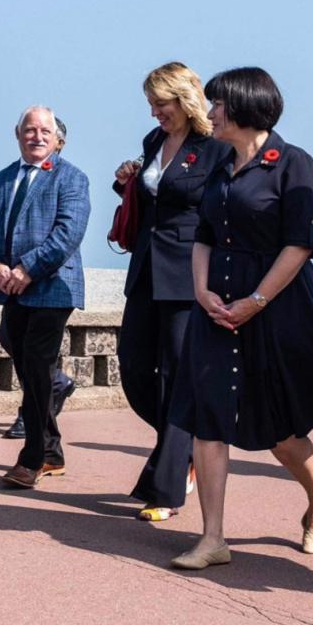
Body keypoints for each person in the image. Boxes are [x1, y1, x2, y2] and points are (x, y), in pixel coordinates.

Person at [168, 67, 313, 571]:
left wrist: (255, 300)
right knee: (207, 419)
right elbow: (205, 235)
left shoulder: (293, 163)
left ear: (242, 107)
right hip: (216, 306)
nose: (209, 112)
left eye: (216, 104)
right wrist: (201, 290)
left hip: (275, 307)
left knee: (279, 425)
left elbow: (301, 243)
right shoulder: (218, 167)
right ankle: (212, 537)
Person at [114, 63, 220, 521]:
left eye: (162, 103)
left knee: (177, 375)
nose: (155, 112)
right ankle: (184, 449)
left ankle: (166, 485)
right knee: (134, 369)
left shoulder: (215, 146)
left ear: (185, 99)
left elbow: (219, 208)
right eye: (151, 104)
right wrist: (127, 182)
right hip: (145, 268)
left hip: (186, 272)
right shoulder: (153, 141)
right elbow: (152, 195)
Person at [0, 107, 91, 488]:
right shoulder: (3, 179)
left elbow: (68, 233)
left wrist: (27, 268)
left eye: (45, 130)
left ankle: (34, 457)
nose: (37, 136)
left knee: (38, 363)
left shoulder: (71, 178)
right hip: (10, 285)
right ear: (17, 133)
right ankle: (53, 448)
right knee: (17, 349)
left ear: (57, 138)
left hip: (53, 286)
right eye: (29, 129)